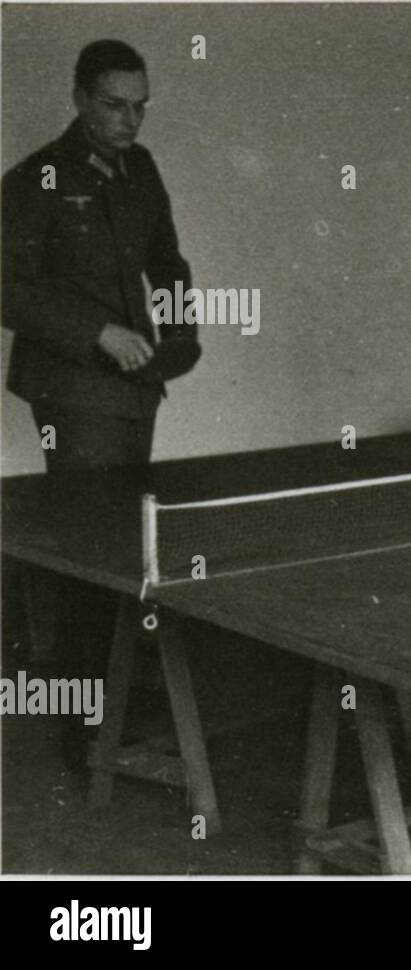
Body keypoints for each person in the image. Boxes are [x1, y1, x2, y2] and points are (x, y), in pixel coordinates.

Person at [1, 39, 199, 767]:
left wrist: (180, 338)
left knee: (125, 543)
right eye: (115, 105)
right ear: (80, 98)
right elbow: (9, 287)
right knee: (88, 547)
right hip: (73, 390)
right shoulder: (35, 179)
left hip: (132, 393)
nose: (130, 121)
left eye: (140, 106)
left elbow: (168, 263)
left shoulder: (139, 171)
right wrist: (99, 333)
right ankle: (83, 726)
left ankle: (115, 701)